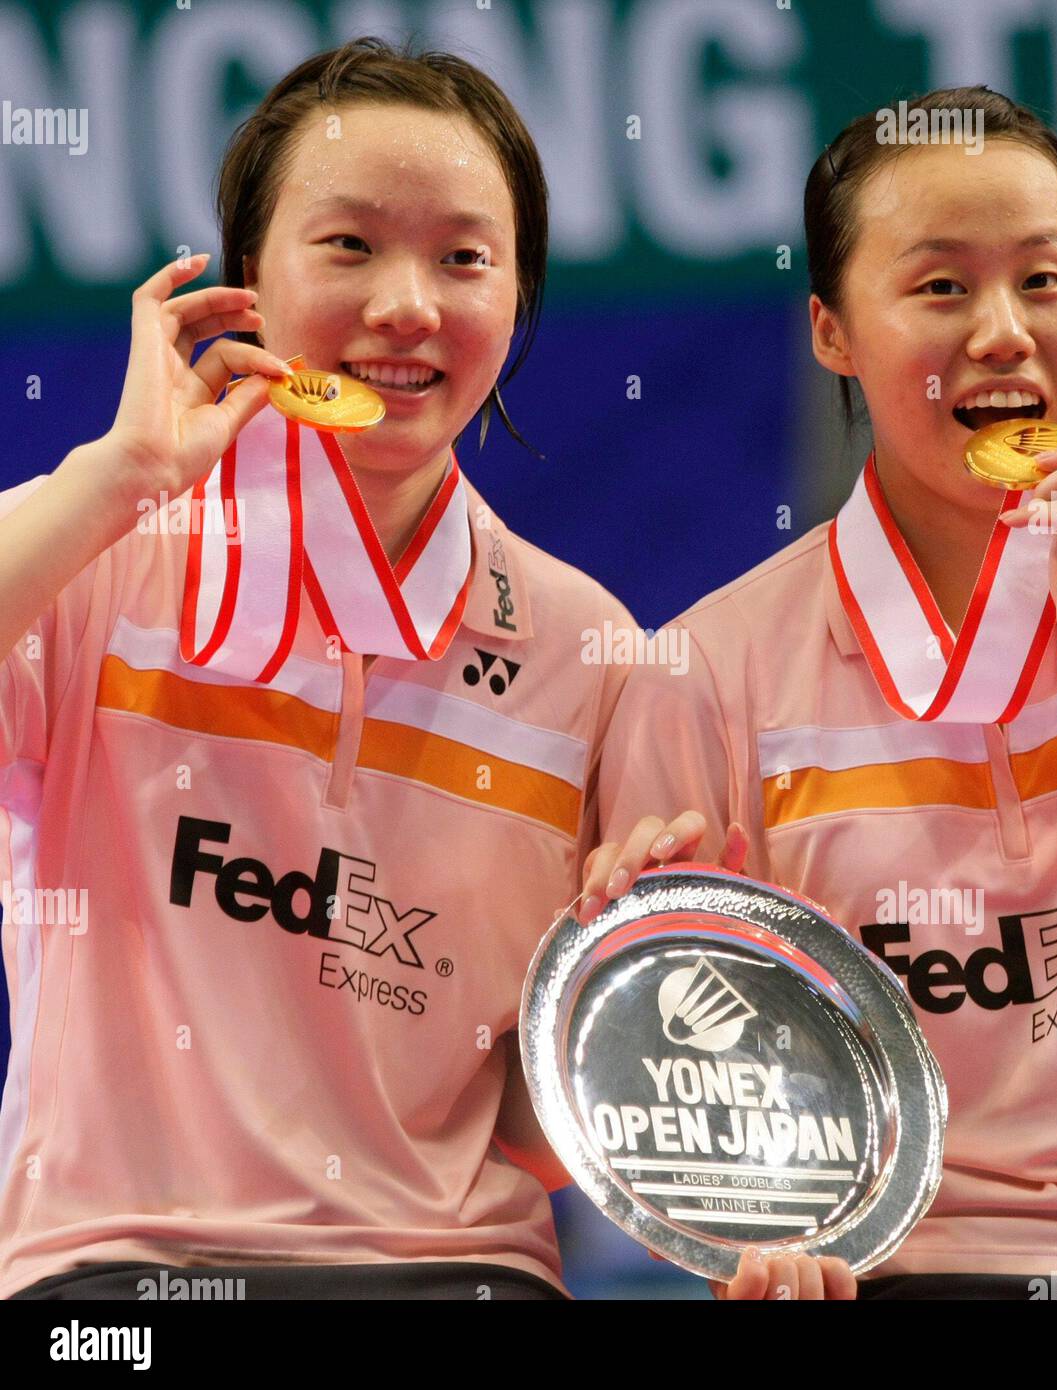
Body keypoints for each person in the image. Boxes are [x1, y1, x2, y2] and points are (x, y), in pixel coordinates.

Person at [0, 37, 829, 1302]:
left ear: (517, 297)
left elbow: (541, 1141)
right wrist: (119, 478)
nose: (408, 305)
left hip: (461, 1276)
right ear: (245, 289)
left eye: (464, 258)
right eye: (348, 247)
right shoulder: (101, 555)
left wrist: (600, 986)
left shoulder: (595, 651)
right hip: (120, 1279)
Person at [589, 86, 1057, 1300]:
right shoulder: (708, 665)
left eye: (1046, 281)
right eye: (941, 286)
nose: (1003, 331)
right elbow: (668, 1115)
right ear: (831, 332)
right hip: (896, 1274)